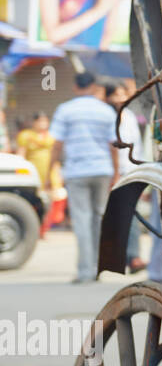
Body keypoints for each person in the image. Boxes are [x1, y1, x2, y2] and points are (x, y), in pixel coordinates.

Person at [50, 72, 118, 284]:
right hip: (102, 169)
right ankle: (98, 268)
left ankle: (85, 271)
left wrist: (50, 170)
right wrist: (115, 172)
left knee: (82, 220)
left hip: (77, 171)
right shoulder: (105, 111)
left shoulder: (65, 110)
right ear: (94, 86)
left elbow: (57, 144)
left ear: (75, 87)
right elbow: (113, 145)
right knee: (99, 219)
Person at [105, 82, 149, 273]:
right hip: (109, 173)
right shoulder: (107, 117)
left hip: (129, 171)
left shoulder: (129, 116)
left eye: (122, 94)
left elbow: (136, 146)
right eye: (116, 94)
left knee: (130, 215)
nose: (120, 98)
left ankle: (132, 257)